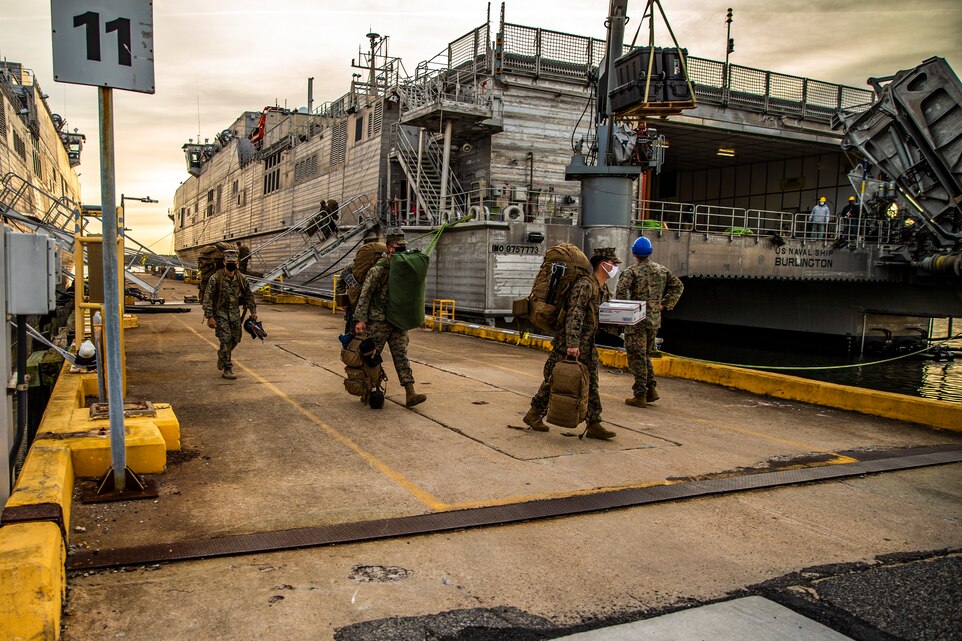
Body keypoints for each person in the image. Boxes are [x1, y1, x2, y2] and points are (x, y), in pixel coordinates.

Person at [523, 247, 621, 439]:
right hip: (569, 342)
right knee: (554, 379)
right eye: (613, 263)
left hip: (587, 344)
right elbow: (574, 314)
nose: (616, 267)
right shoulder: (585, 285)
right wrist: (572, 344)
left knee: (591, 382)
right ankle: (534, 413)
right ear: (603, 265)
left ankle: (594, 423)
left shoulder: (601, 288)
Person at [354, 232, 427, 408]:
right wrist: (361, 319)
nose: (401, 249)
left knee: (401, 355)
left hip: (397, 320)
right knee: (371, 357)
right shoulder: (379, 269)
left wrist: (415, 316)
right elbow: (366, 294)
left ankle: (410, 393)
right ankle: (370, 391)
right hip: (379, 321)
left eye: (403, 247)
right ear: (389, 248)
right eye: (398, 247)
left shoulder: (403, 267)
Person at [616, 237, 684, 408]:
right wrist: (664, 304)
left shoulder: (632, 271)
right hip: (653, 320)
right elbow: (678, 286)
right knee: (645, 355)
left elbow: (621, 291)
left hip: (636, 321)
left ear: (634, 253)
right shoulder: (662, 270)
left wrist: (625, 310)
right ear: (650, 252)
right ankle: (651, 389)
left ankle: (640, 395)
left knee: (636, 357)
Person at [202, 249, 257, 380]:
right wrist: (210, 317)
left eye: (234, 262)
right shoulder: (216, 278)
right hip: (220, 314)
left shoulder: (241, 278)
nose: (232, 264)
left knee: (236, 338)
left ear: (237, 263)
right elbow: (207, 298)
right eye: (229, 262)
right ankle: (228, 368)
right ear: (224, 262)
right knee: (226, 340)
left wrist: (253, 311)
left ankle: (222, 354)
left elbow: (249, 295)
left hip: (235, 314)